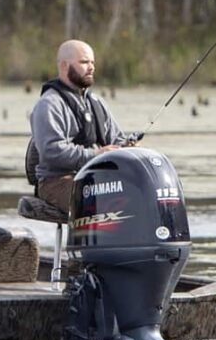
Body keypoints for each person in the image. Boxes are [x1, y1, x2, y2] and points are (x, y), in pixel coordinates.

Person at [27, 39, 137, 213]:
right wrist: (95, 154)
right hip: (57, 182)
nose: (91, 67)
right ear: (64, 66)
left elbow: (116, 139)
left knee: (141, 193)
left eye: (93, 62)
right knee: (107, 201)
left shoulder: (97, 102)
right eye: (84, 62)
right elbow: (52, 152)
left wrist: (127, 147)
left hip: (96, 178)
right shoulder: (49, 104)